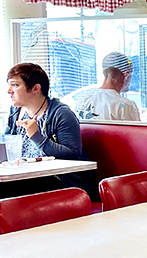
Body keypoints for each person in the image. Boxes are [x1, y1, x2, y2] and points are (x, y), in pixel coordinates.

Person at [4, 62, 89, 195]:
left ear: (35, 88)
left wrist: (36, 136)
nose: (9, 90)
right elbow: (8, 145)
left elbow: (73, 155)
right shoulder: (15, 111)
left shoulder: (61, 113)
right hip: (24, 174)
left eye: (15, 85)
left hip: (59, 180)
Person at [66, 51, 141, 121]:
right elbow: (135, 131)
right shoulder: (126, 106)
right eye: (130, 74)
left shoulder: (82, 99)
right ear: (125, 74)